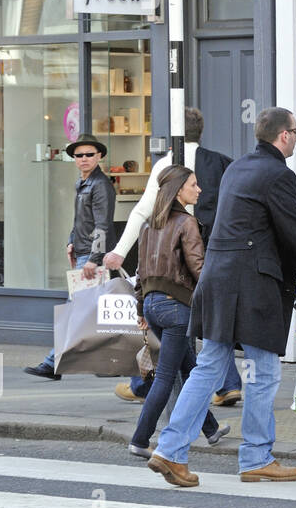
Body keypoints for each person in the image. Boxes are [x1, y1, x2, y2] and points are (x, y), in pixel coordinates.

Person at [147, 108, 296, 487]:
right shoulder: (279, 175)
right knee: (264, 373)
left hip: (219, 280)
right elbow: (294, 233)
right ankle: (256, 457)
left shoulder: (237, 168)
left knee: (208, 367)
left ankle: (169, 450)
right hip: (252, 286)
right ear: (283, 136)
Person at [100, 108, 242, 406]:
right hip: (212, 249)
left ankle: (144, 384)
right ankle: (227, 383)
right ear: (200, 131)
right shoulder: (220, 162)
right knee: (210, 315)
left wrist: (119, 251)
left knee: (165, 316)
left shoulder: (166, 163)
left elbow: (143, 210)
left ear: (173, 131)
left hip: (177, 252)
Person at [128, 166, 230, 459]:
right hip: (176, 307)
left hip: (152, 304)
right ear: (178, 190)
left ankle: (210, 429)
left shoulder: (149, 224)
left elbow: (140, 273)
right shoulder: (186, 222)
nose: (199, 190)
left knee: (189, 368)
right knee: (165, 377)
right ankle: (140, 439)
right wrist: (218, 299)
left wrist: (141, 308)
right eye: (193, 185)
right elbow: (199, 268)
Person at [24, 134, 115, 380]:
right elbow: (80, 220)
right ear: (74, 159)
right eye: (79, 155)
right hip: (83, 251)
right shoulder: (82, 183)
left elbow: (102, 224)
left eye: (89, 155)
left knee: (75, 311)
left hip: (92, 257)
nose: (84, 159)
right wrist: (71, 241)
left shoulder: (100, 185)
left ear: (99, 157)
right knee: (89, 312)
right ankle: (105, 363)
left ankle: (53, 364)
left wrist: (95, 258)